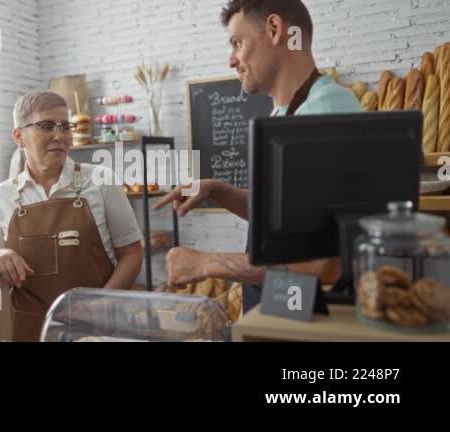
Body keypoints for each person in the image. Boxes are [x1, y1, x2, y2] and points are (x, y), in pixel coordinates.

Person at [155, 0, 362, 312]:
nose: (231, 60)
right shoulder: (285, 114)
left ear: (276, 30)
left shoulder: (326, 112)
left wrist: (205, 263)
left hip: (311, 319)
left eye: (238, 43)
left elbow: (322, 268)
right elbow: (288, 216)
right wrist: (220, 190)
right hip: (284, 308)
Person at [0, 91, 144, 341]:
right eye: (46, 126)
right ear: (19, 136)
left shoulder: (101, 181)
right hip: (30, 331)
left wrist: (99, 304)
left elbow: (132, 253)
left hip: (97, 329)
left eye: (65, 126)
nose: (59, 136)